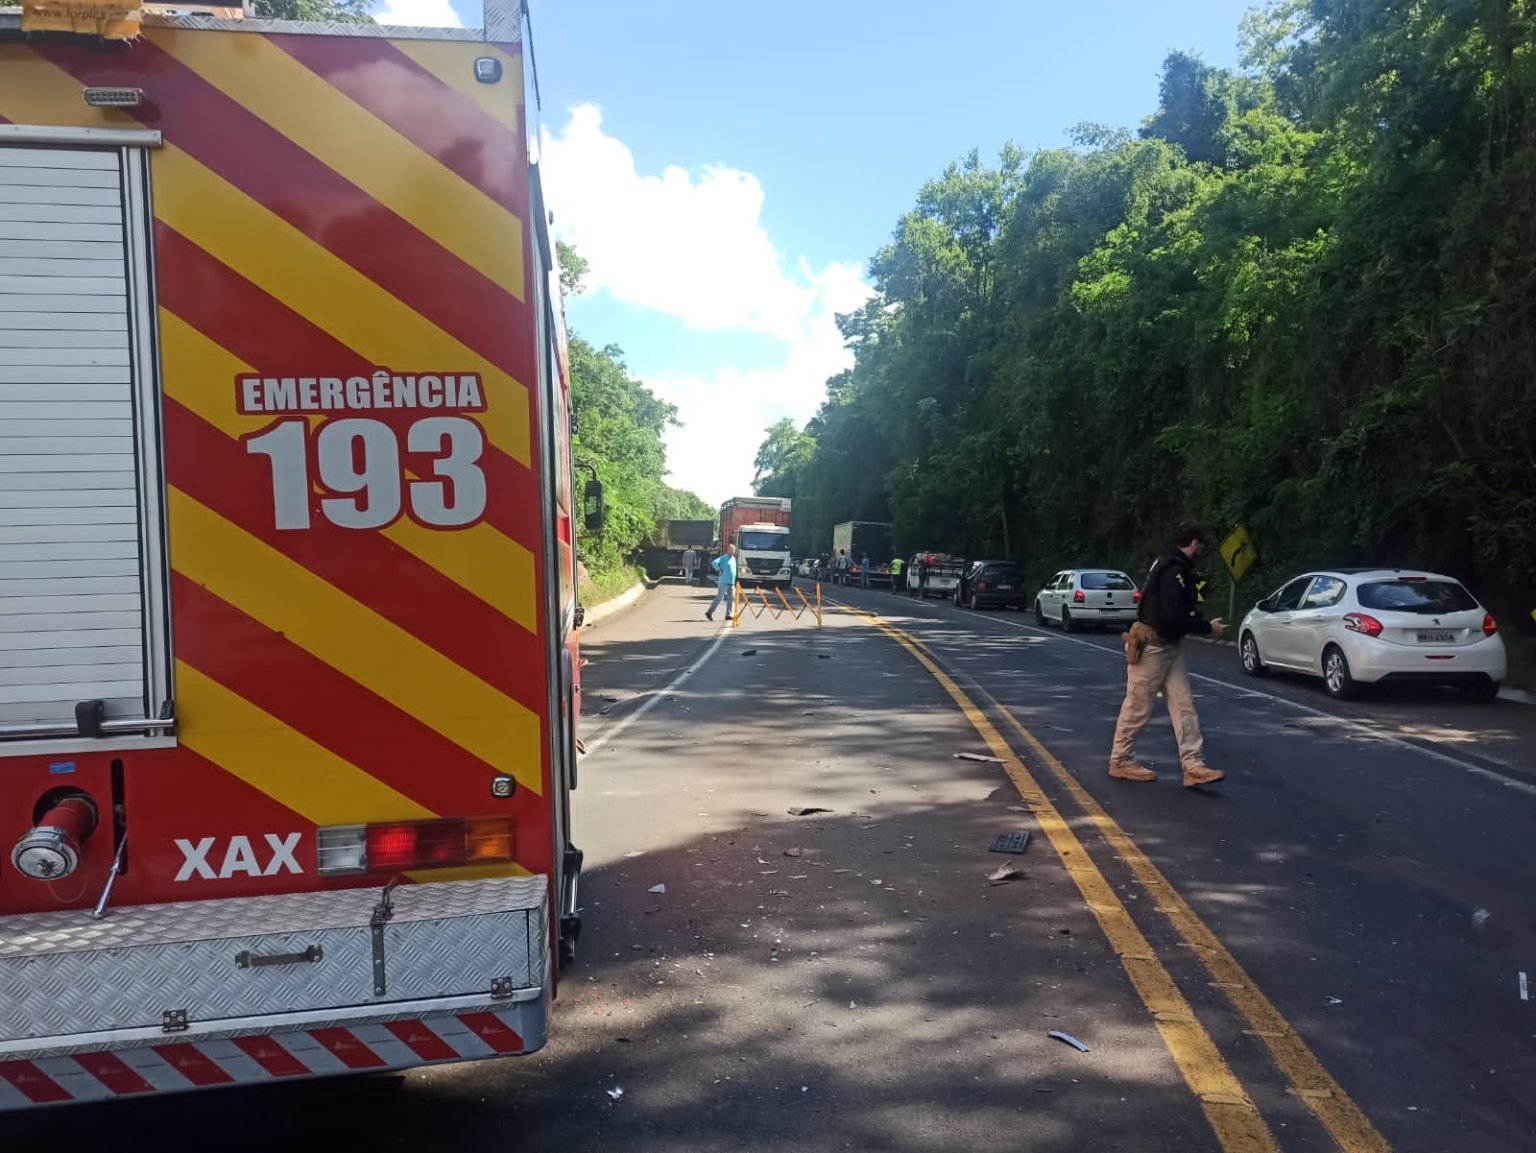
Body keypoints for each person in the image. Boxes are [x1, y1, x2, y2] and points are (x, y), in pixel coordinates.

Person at [1109, 520, 1226, 788]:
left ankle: (1193, 765)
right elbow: (1173, 616)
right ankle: (1120, 760)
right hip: (1152, 646)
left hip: (1170, 646)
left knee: (1184, 706)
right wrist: (1207, 627)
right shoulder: (1174, 570)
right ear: (1194, 543)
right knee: (1138, 707)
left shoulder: (1170, 564)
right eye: (1200, 544)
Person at [705, 544, 737, 622]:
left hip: (731, 582)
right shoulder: (723, 558)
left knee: (731, 598)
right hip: (723, 581)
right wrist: (718, 570)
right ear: (728, 550)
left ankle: (729, 615)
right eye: (731, 550)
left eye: (733, 550)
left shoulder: (733, 559)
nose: (733, 551)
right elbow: (714, 562)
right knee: (720, 597)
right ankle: (709, 612)